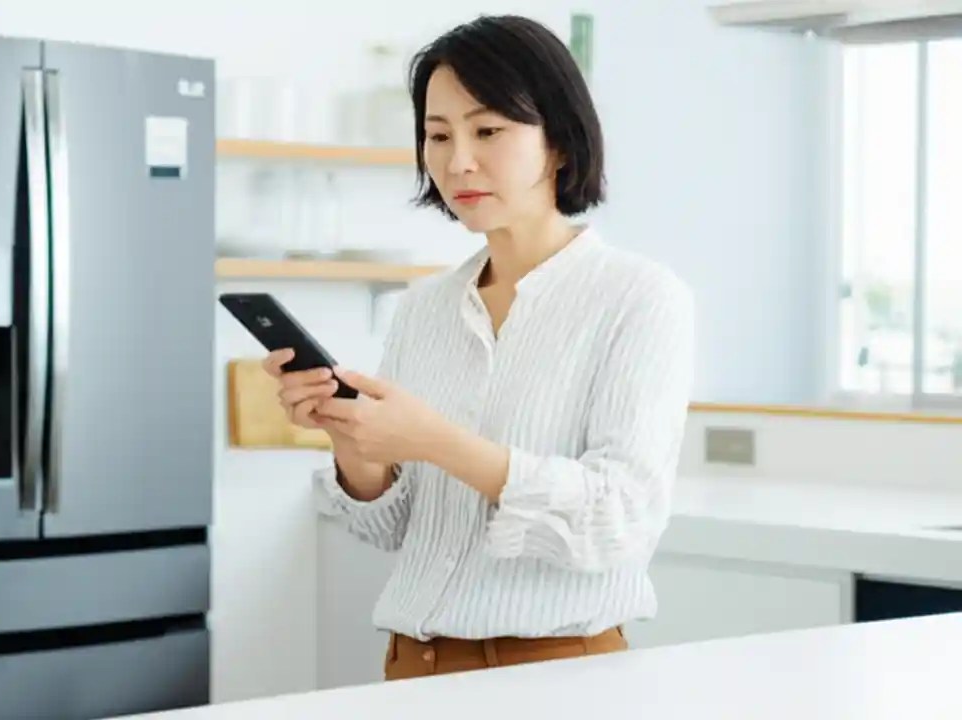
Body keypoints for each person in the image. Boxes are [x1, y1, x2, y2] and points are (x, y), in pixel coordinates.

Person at [262, 14, 695, 681]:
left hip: (555, 675)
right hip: (411, 667)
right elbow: (396, 530)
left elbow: (619, 519)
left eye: (488, 130)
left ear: (559, 143)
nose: (457, 160)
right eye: (438, 135)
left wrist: (435, 439)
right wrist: (350, 438)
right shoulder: (422, 309)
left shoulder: (638, 298)